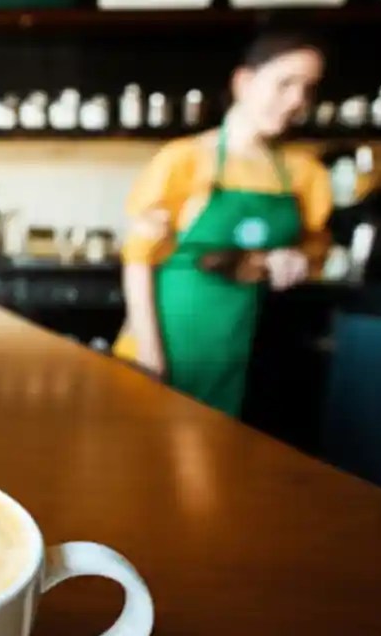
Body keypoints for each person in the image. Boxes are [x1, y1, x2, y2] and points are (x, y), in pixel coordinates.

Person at [112, 31, 333, 416]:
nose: (297, 100)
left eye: (307, 88)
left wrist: (294, 259)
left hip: (251, 350)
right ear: (244, 82)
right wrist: (150, 357)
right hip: (172, 343)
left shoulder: (304, 173)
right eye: (285, 84)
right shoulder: (184, 160)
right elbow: (139, 260)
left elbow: (314, 251)